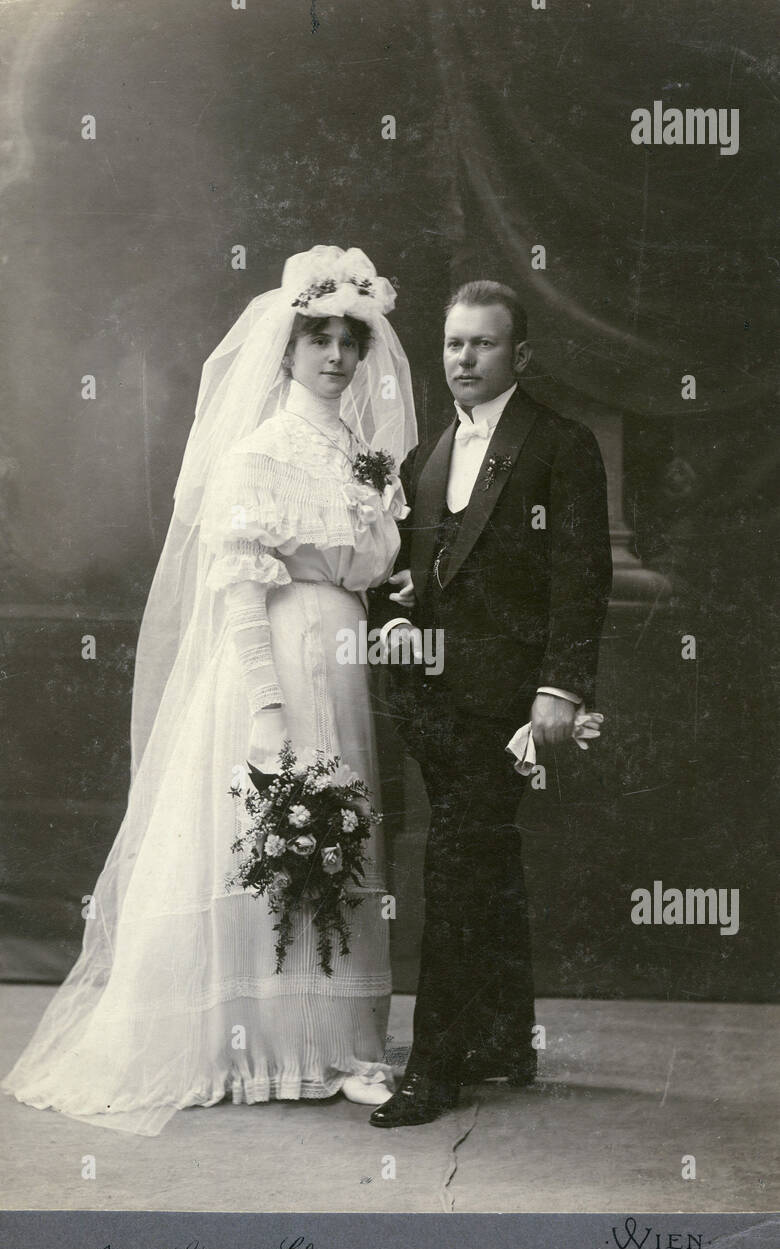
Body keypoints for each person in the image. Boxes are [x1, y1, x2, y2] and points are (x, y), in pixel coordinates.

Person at [2, 245, 417, 1135]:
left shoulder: (364, 455)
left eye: (351, 340)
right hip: (275, 658)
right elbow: (238, 581)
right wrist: (265, 701)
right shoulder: (260, 451)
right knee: (278, 827)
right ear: (286, 347)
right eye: (319, 339)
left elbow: (375, 561)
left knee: (335, 835)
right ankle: (259, 1045)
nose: (338, 356)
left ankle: (338, 1045)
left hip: (342, 663)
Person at [368, 280, 613, 1128]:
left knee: (455, 863)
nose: (463, 360)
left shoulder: (559, 444)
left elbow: (583, 579)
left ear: (520, 356)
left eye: (482, 345)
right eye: (453, 345)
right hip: (434, 704)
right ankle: (505, 1040)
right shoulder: (427, 456)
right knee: (484, 857)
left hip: (508, 704)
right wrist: (396, 618)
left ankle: (434, 1068)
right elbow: (404, 578)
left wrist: (562, 688)